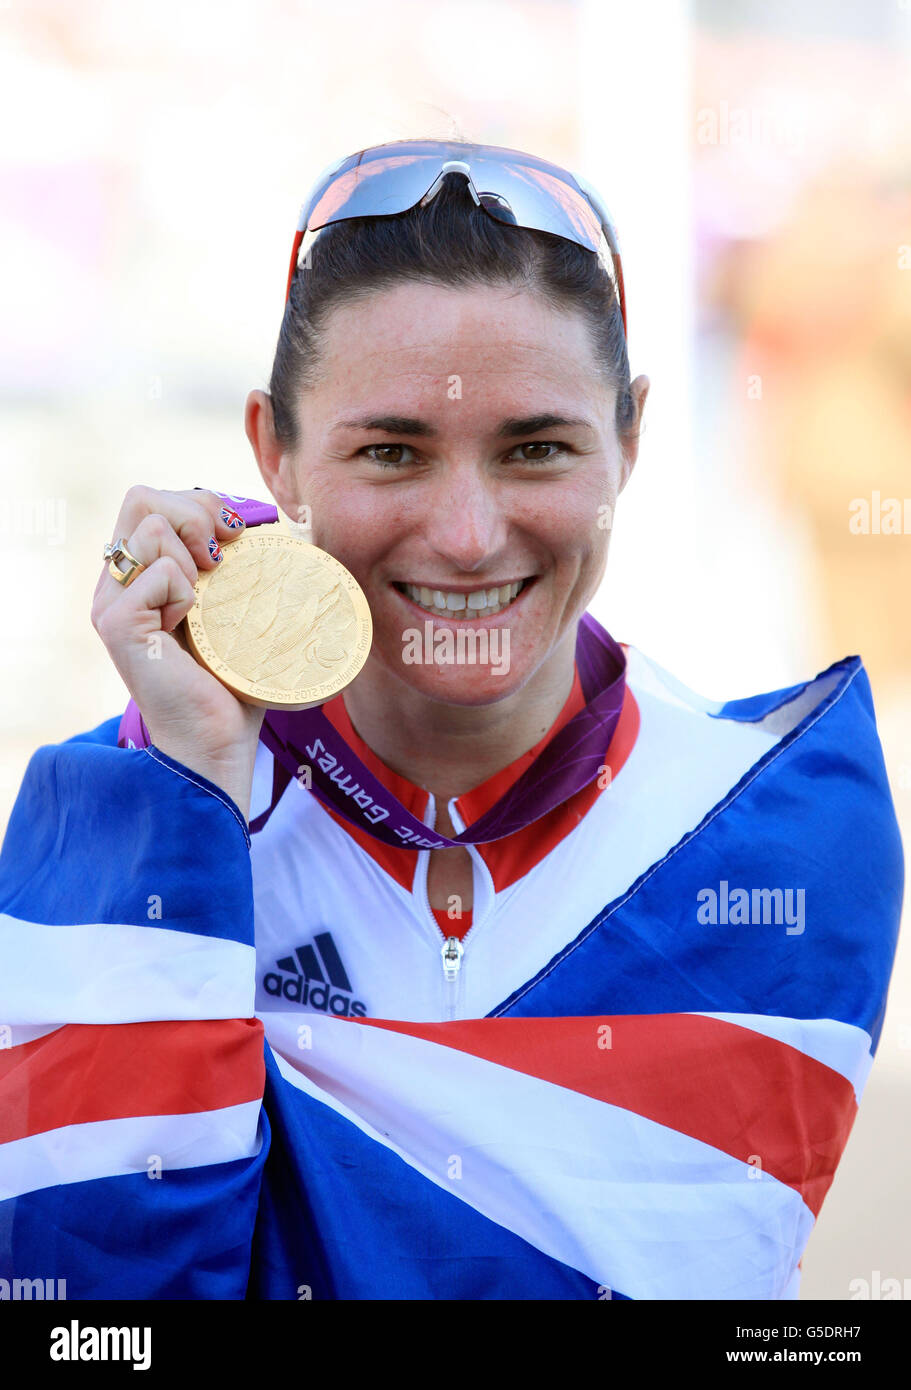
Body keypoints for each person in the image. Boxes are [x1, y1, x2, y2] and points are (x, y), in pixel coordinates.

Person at [0, 140, 902, 1301]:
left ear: (628, 438)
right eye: (389, 451)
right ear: (273, 453)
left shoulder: (781, 830)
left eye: (535, 447)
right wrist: (180, 800)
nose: (469, 534)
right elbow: (93, 1315)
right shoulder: (119, 827)